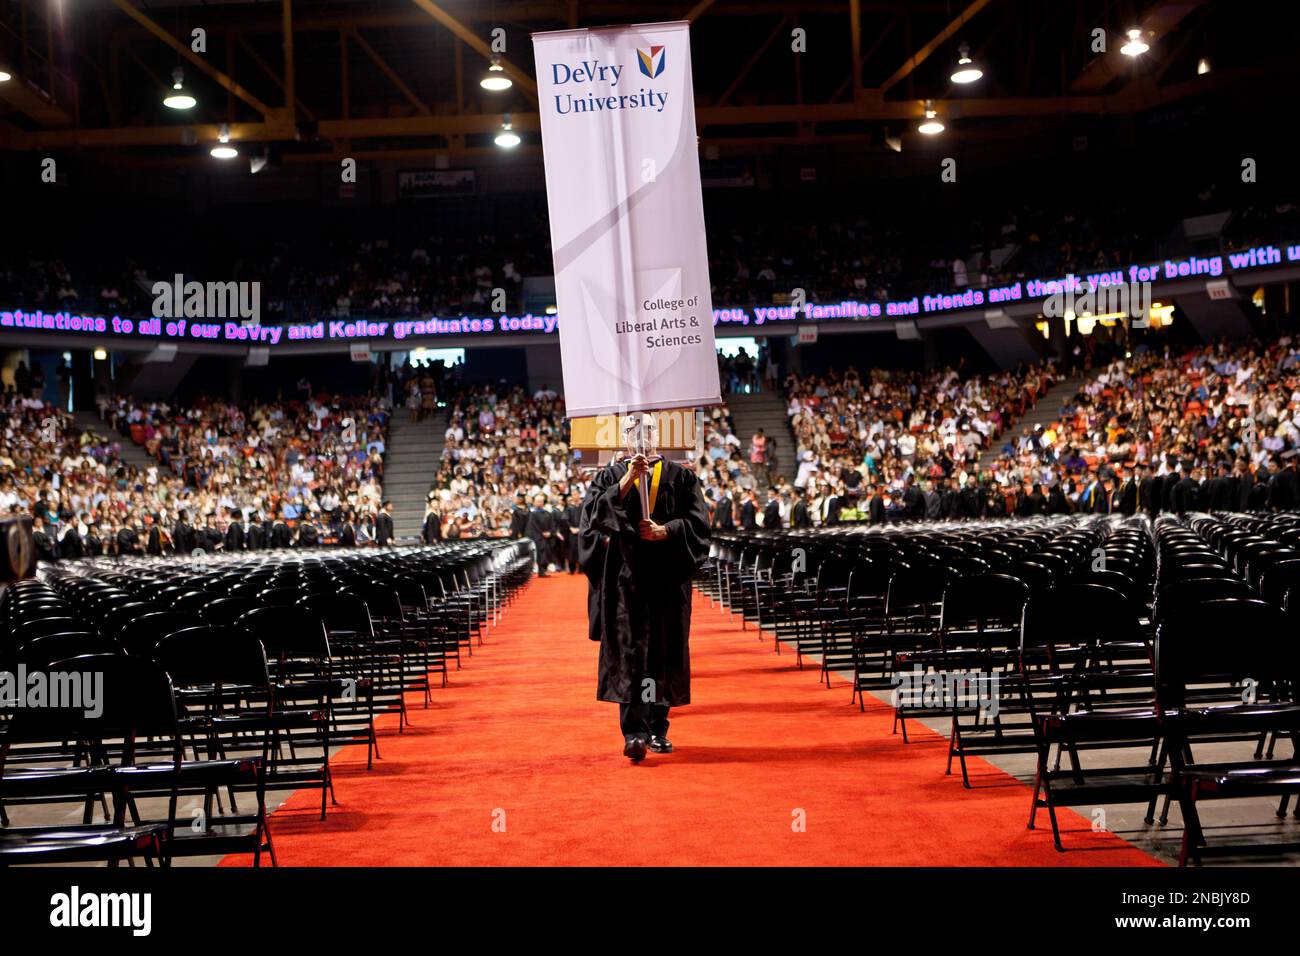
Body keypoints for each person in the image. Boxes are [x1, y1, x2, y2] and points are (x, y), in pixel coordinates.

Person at [579, 413, 710, 762]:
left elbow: (699, 526)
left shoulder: (680, 477)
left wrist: (667, 531)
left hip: (666, 580)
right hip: (625, 582)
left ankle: (657, 728)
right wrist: (627, 480)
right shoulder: (608, 476)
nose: (640, 436)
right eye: (633, 430)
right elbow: (592, 520)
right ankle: (633, 732)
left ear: (657, 434)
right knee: (630, 655)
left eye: (647, 429)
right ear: (621, 436)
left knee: (661, 654)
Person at [526, 493, 553, 576]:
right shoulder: (533, 514)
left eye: (540, 501)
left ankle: (544, 570)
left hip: (547, 536)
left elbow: (552, 524)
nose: (539, 503)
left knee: (547, 553)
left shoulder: (548, 513)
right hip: (537, 536)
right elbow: (534, 526)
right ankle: (541, 571)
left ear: (543, 502)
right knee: (540, 554)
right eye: (537, 501)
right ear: (534, 503)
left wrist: (549, 532)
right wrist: (542, 533)